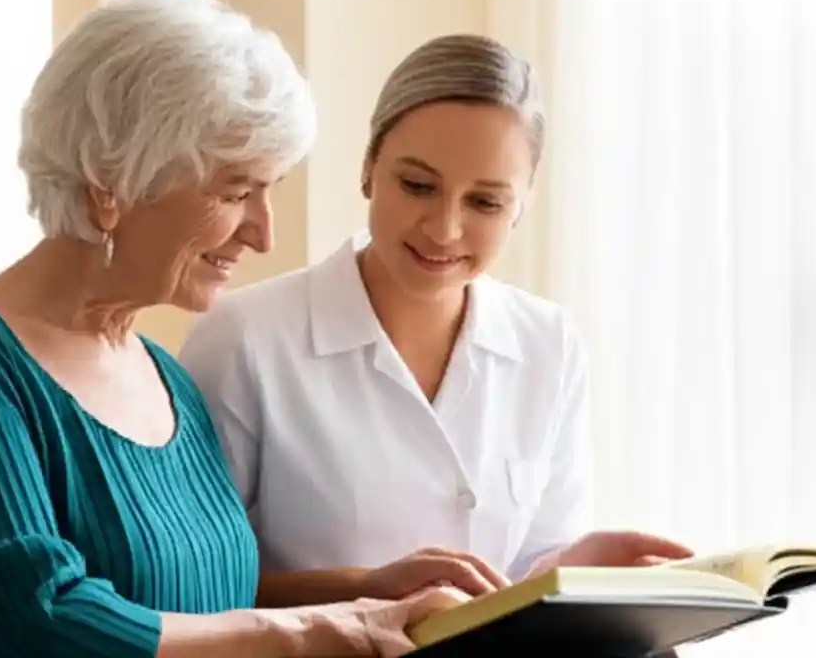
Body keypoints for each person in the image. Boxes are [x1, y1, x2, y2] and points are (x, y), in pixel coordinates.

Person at [0, 0, 491, 658]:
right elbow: (27, 623)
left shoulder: (165, 376)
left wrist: (366, 594)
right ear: (111, 182)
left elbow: (202, 607)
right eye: (235, 192)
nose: (262, 231)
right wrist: (318, 633)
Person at [177, 34, 693, 606]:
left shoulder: (550, 343)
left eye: (486, 203)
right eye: (418, 186)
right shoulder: (245, 340)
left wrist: (578, 571)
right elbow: (186, 590)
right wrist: (365, 593)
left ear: (521, 206)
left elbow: (524, 581)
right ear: (369, 168)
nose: (445, 229)